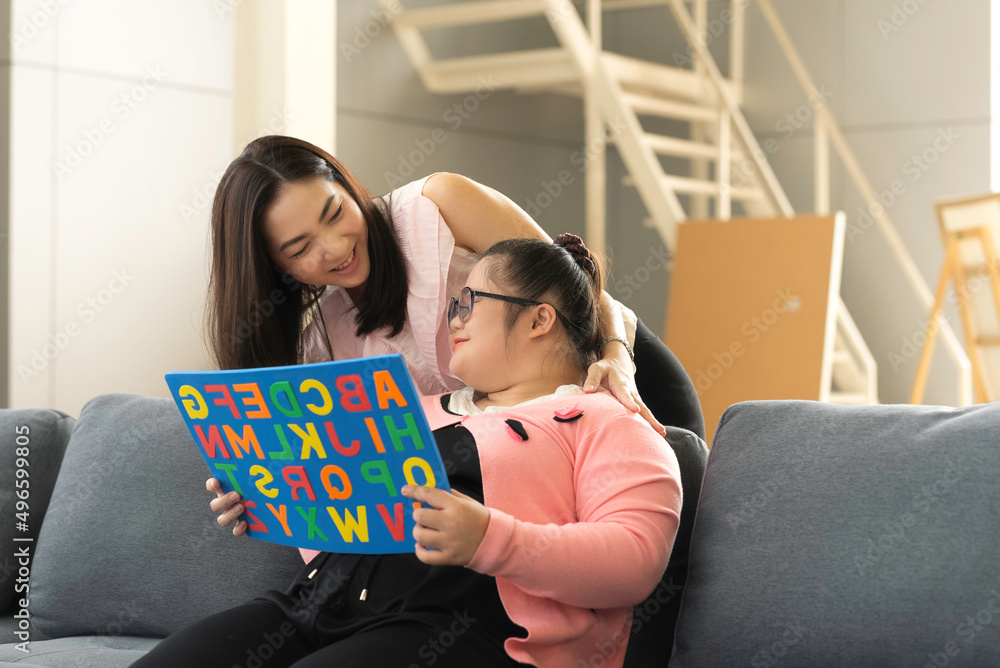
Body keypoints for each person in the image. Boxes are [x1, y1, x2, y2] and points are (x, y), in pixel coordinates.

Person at [132, 235, 681, 668]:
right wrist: (268, 495)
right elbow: (344, 512)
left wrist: (492, 538)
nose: (455, 318)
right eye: (453, 306)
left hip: (463, 629)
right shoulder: (410, 406)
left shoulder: (606, 417)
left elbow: (634, 563)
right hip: (316, 604)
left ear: (539, 317)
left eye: (470, 302)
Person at [204, 135, 705, 456]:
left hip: (618, 377)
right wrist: (251, 491)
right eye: (301, 248)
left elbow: (573, 279)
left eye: (335, 214)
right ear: (273, 267)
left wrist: (618, 357)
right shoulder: (322, 343)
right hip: (539, 444)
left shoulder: (437, 206)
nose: (335, 248)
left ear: (347, 186)